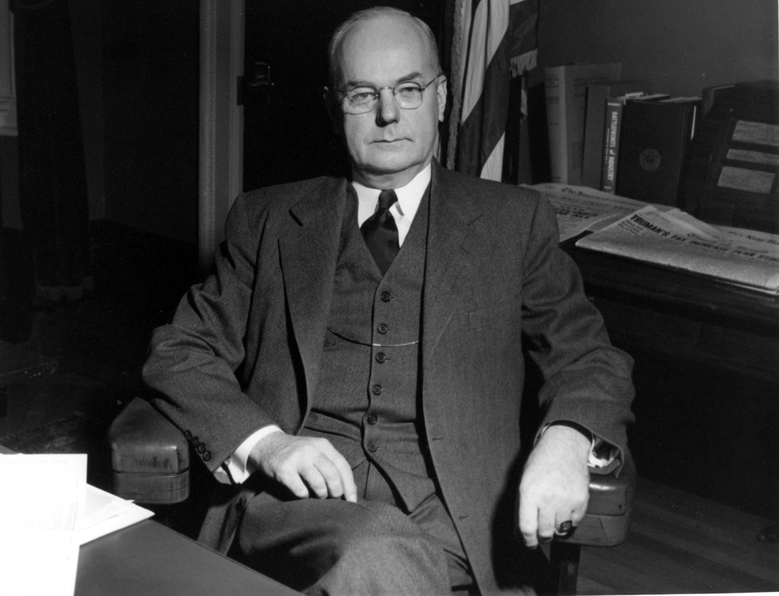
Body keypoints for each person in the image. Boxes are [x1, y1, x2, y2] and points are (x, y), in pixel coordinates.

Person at [143, 7, 634, 595]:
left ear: (444, 97)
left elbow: (589, 356)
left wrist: (567, 438)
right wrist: (268, 444)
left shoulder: (513, 223)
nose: (388, 113)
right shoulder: (267, 220)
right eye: (362, 94)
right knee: (378, 550)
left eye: (409, 88)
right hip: (297, 514)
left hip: (459, 522)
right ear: (333, 106)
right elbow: (178, 353)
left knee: (388, 557)